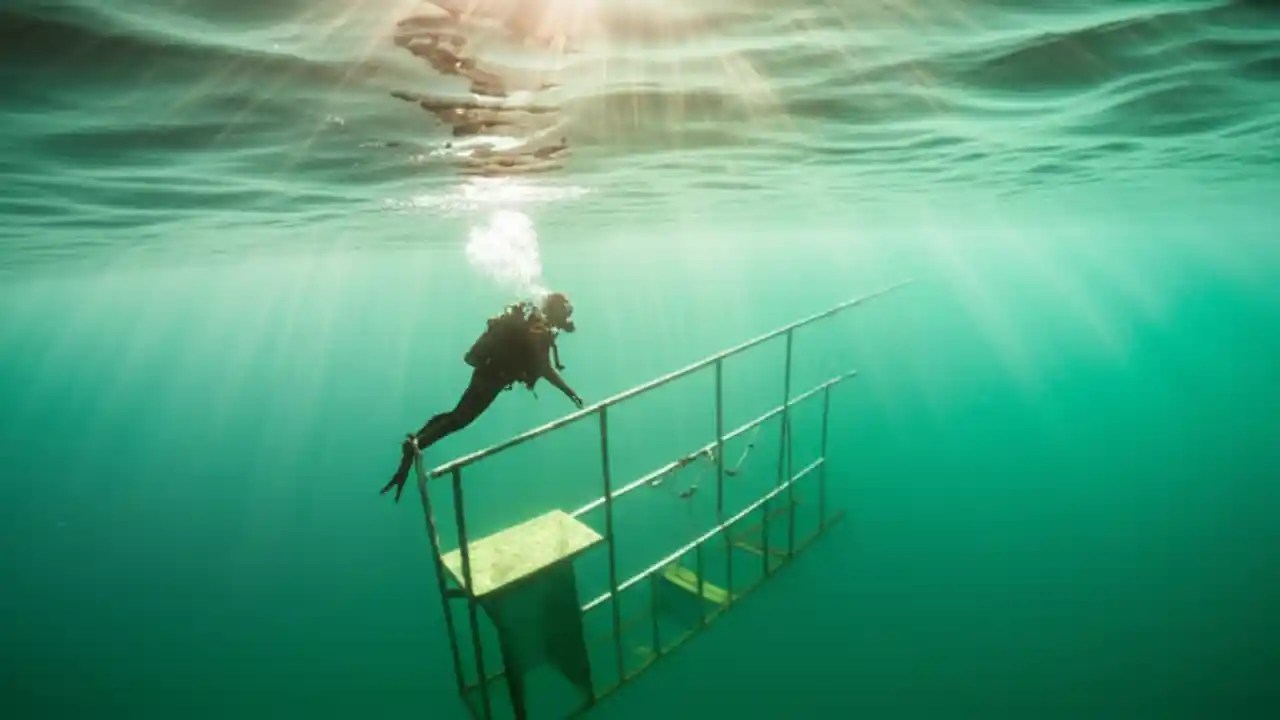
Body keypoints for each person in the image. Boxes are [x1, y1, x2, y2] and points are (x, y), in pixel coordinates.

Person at [381, 292, 584, 501]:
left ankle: (416, 441)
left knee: (457, 416)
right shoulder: (540, 329)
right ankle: (414, 446)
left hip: (489, 373)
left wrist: (570, 393)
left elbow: (541, 366)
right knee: (460, 419)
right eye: (564, 312)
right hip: (493, 378)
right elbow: (545, 368)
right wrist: (571, 393)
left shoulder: (536, 323)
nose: (566, 318)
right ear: (555, 310)